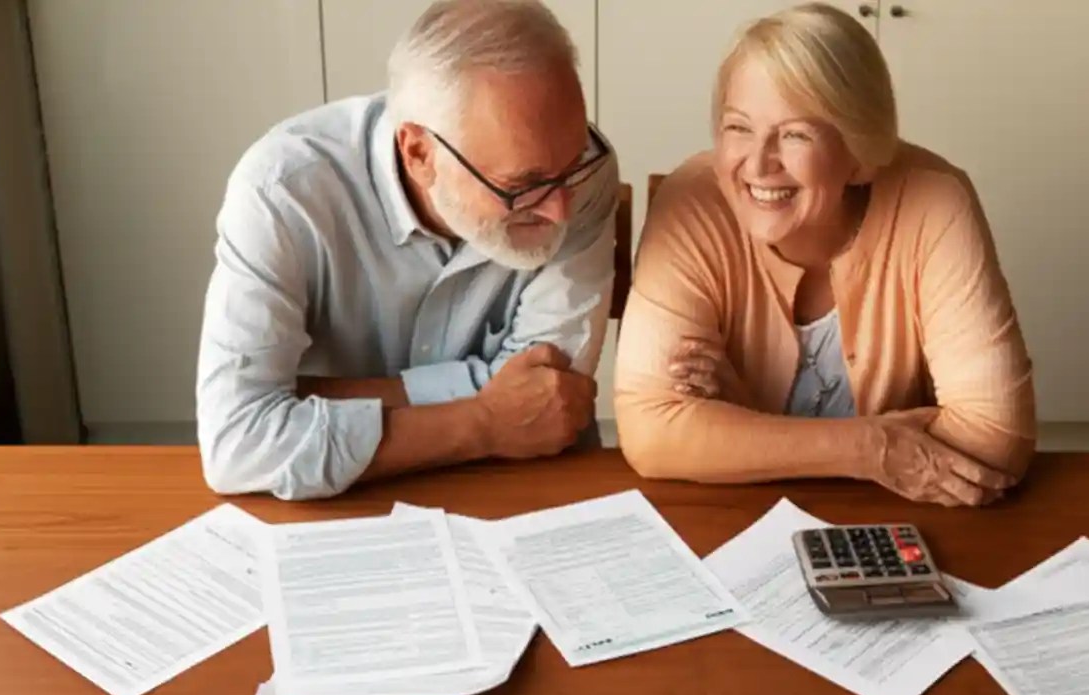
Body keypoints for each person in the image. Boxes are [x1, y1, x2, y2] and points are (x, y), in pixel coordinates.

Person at [614, 2, 1035, 507]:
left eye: (795, 134)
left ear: (858, 152)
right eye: (738, 127)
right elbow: (650, 433)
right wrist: (871, 447)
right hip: (738, 516)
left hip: (894, 523)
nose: (758, 163)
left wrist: (734, 425)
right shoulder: (690, 204)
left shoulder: (935, 202)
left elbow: (997, 439)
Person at [196, 0, 618, 500]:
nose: (560, 211)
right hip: (348, 508)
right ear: (419, 153)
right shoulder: (284, 191)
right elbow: (239, 443)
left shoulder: (581, 173)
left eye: (570, 168)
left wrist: (314, 400)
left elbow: (549, 395)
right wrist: (482, 422)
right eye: (521, 187)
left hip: (529, 486)